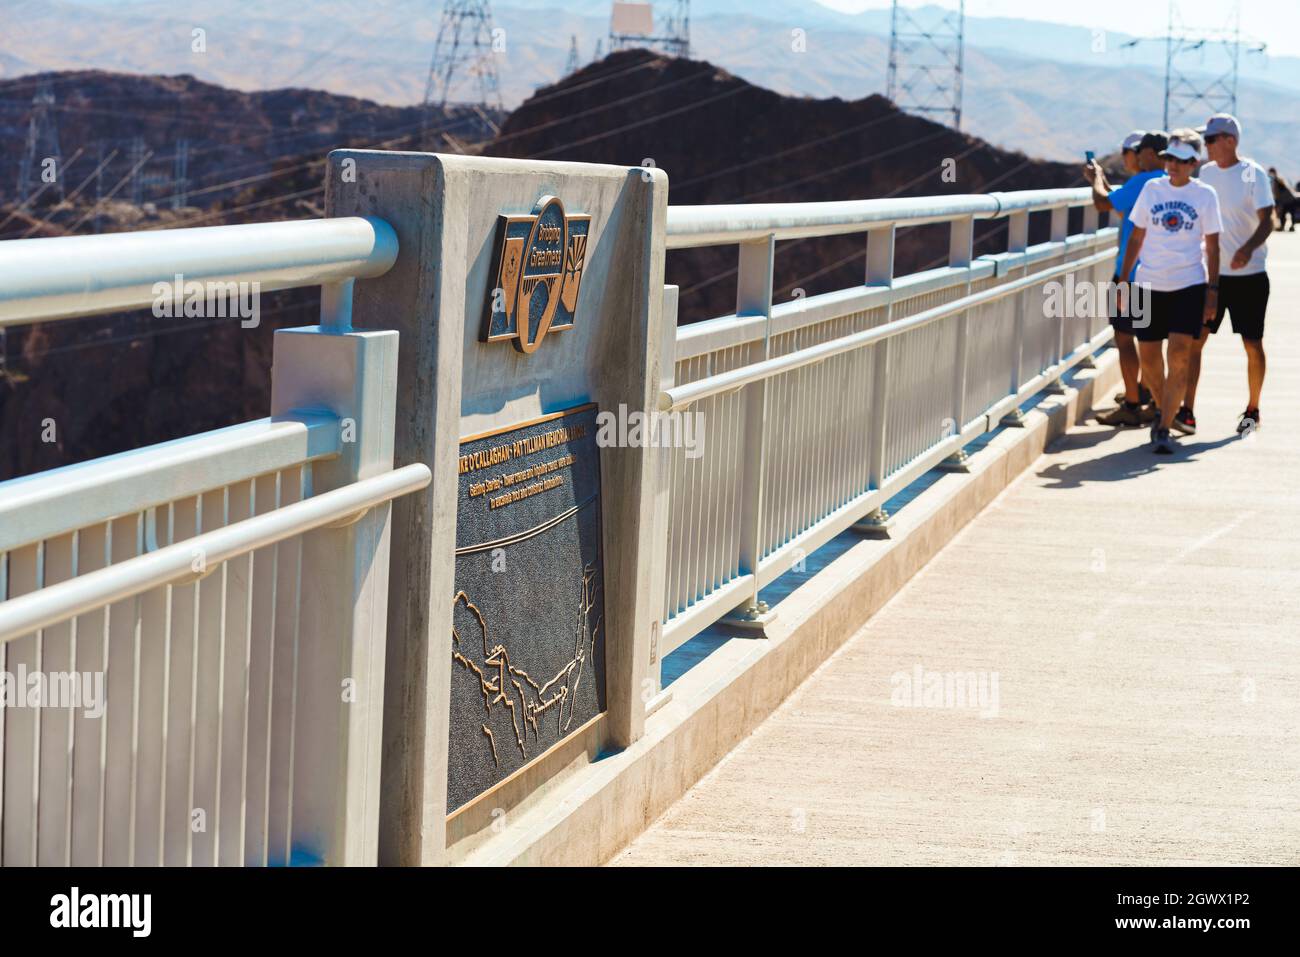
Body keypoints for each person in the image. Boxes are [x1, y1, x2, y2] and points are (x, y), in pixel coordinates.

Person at [1117, 130, 1221, 455]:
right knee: (1149, 358)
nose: (1173, 165)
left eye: (1180, 160)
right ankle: (1166, 409)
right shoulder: (1152, 189)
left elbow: (1214, 247)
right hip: (1149, 283)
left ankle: (1162, 427)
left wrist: (1213, 291)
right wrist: (1124, 280)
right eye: (1170, 159)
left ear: (1194, 163)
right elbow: (1136, 237)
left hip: (1188, 284)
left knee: (1178, 354)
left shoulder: (1205, 195)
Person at [1191, 115, 1273, 434]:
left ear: (1230, 141)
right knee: (1196, 340)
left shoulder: (1254, 173)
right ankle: (1186, 410)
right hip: (1212, 276)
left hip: (1249, 276)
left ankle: (1253, 408)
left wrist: (1247, 248)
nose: (1206, 147)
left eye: (1210, 140)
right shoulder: (1206, 173)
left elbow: (1268, 220)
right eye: (1205, 141)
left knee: (1252, 343)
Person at [1084, 130, 1166, 426]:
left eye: (1139, 150)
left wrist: (1094, 180)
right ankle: (1156, 403)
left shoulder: (1144, 181)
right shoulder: (1167, 183)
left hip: (1131, 274)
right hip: (1160, 273)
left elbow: (1103, 204)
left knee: (1125, 337)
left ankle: (1132, 403)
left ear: (1151, 153)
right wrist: (1103, 182)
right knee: (1152, 341)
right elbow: (1122, 206)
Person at [1268, 167, 1298, 231]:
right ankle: (1284, 226)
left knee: (1286, 213)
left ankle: (1288, 226)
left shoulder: (1276, 180)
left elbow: (1276, 192)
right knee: (1284, 214)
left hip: (1288, 199)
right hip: (1287, 199)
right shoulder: (1277, 179)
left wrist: (1276, 201)